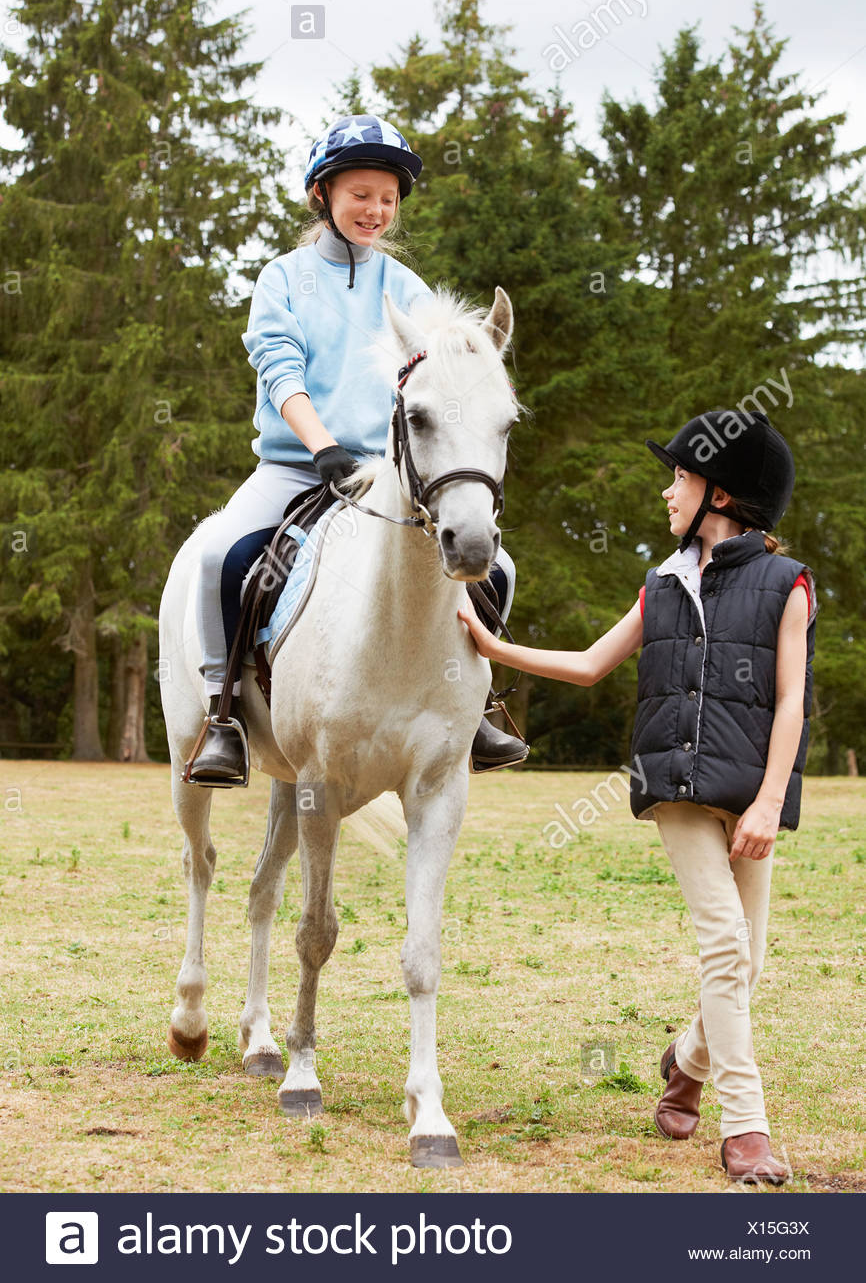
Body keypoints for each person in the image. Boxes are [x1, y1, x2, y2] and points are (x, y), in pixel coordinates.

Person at [457, 410, 816, 1184]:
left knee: (747, 964)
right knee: (724, 944)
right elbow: (591, 665)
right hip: (677, 786)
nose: (666, 491)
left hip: (753, 792)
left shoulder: (788, 585)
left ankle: (687, 1064)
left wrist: (766, 804)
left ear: (721, 493)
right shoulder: (662, 583)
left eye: (679, 477)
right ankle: (747, 1130)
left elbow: (790, 703)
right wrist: (493, 648)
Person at [188, 114, 528, 785]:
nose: (374, 209)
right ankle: (222, 714)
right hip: (295, 465)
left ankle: (478, 700)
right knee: (218, 557)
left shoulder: (407, 288)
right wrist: (322, 448)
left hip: (389, 475)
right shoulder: (281, 278)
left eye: (387, 198)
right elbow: (280, 370)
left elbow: (439, 382)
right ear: (323, 194)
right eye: (360, 193)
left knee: (501, 569)